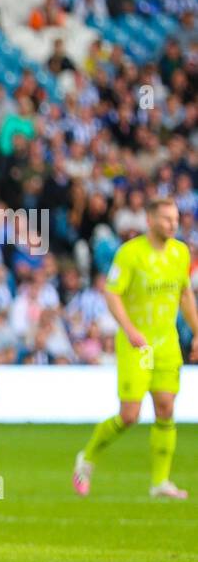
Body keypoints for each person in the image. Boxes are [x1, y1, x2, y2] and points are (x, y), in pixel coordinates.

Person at [74, 199, 198, 498]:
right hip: (137, 344)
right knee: (130, 415)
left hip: (166, 342)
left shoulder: (180, 253)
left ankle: (160, 482)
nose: (173, 224)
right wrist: (130, 329)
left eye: (176, 219)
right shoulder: (130, 253)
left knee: (166, 408)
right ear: (150, 219)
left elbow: (184, 294)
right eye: (167, 219)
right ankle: (86, 458)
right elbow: (112, 293)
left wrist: (196, 331)